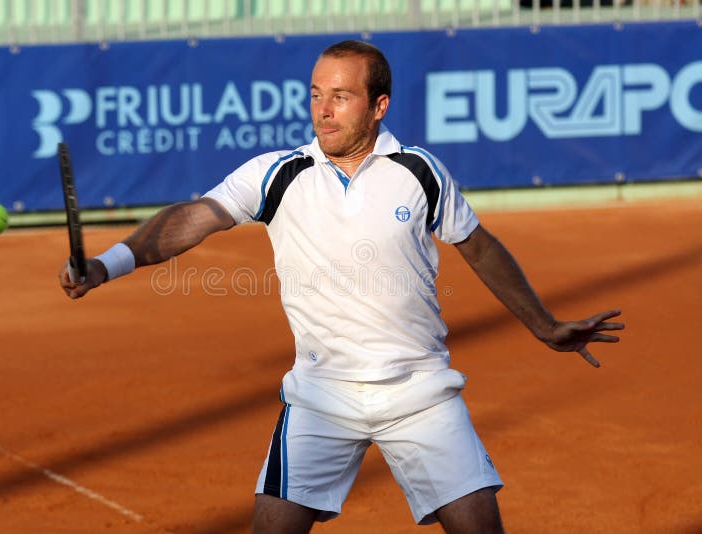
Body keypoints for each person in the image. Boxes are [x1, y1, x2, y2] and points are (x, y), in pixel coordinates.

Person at [59, 40, 624, 533]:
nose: (322, 111)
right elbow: (192, 219)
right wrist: (106, 265)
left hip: (418, 390)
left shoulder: (419, 171)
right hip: (320, 397)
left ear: (379, 106)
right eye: (315, 95)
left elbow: (477, 245)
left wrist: (544, 325)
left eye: (340, 96)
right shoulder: (278, 174)